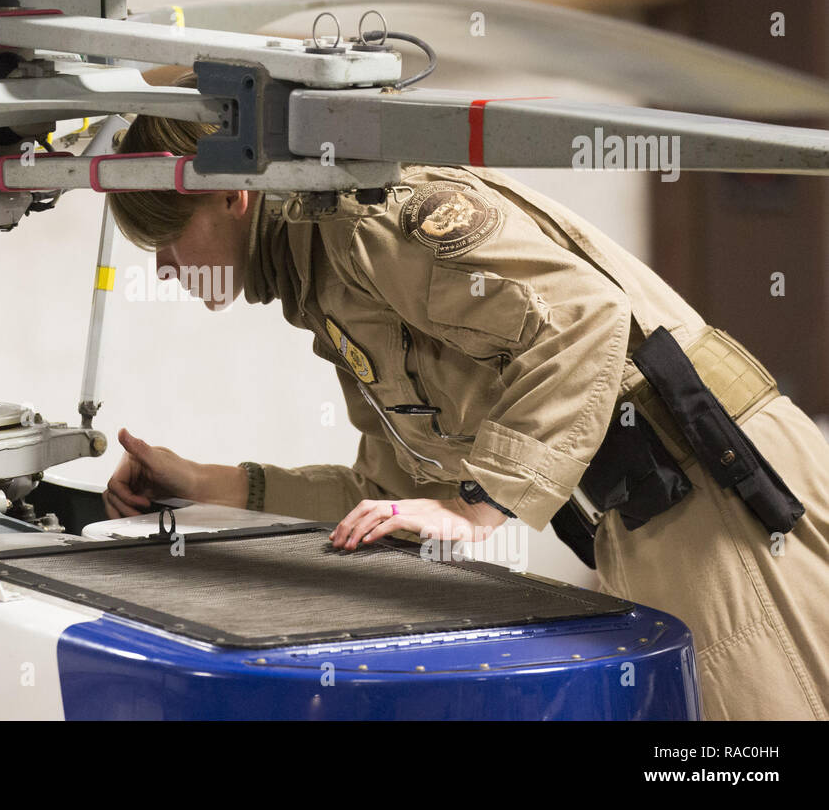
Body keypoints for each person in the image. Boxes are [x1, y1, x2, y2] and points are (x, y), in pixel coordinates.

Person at [102, 70, 829, 721]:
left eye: (168, 240)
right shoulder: (326, 278)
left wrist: (478, 505)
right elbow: (384, 497)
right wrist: (205, 485)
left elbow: (583, 317)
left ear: (230, 195)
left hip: (717, 494)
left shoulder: (370, 223)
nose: (166, 270)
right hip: (655, 509)